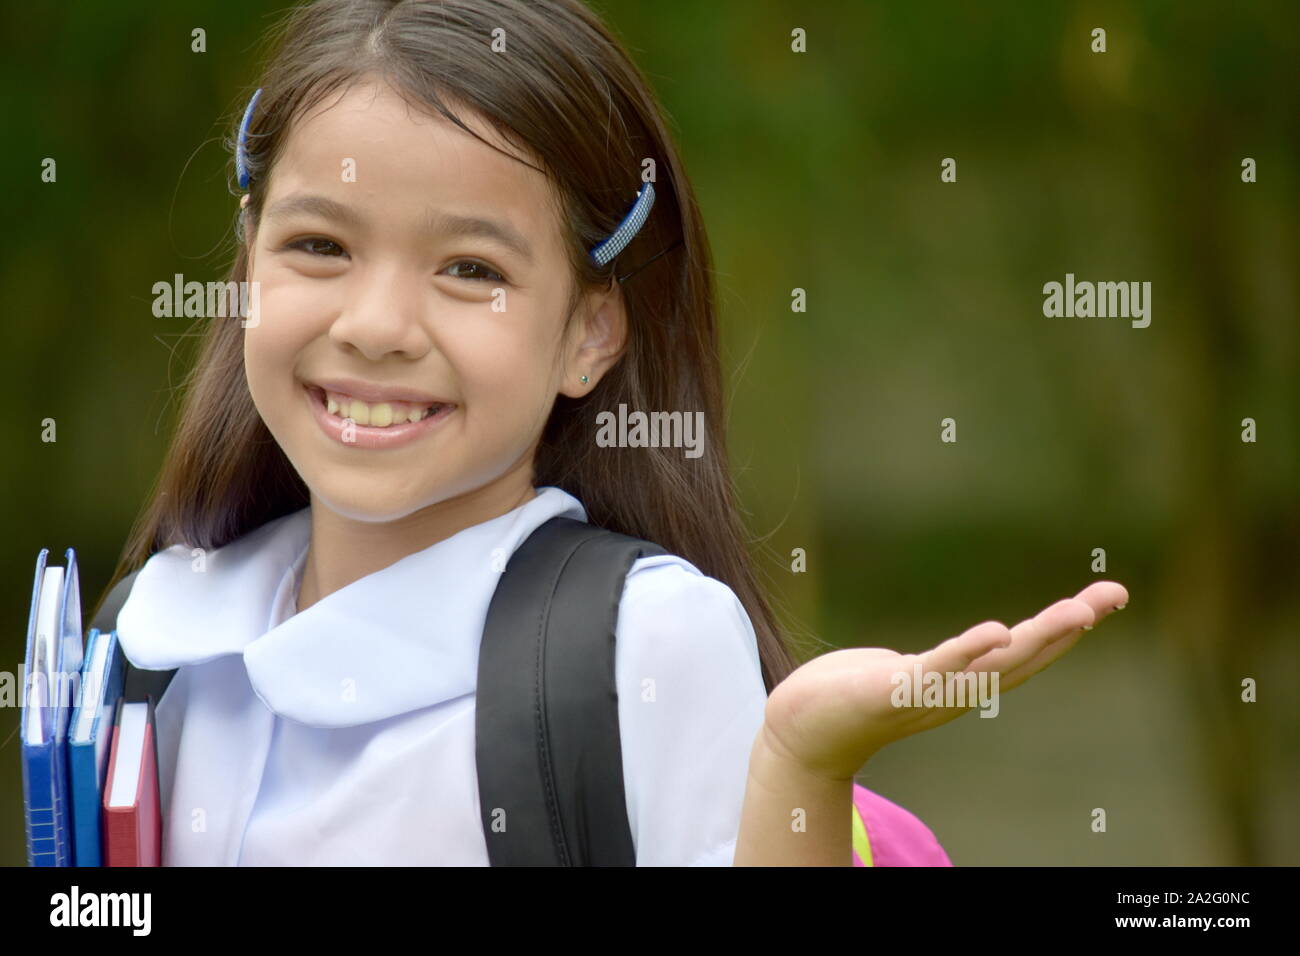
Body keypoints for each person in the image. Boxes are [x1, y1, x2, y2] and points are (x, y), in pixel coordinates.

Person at [101, 0, 1128, 866]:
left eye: (471, 269)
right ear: (247, 264)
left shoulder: (641, 646)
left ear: (589, 334)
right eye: (319, 244)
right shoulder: (155, 637)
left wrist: (801, 767)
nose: (375, 327)